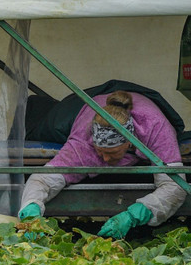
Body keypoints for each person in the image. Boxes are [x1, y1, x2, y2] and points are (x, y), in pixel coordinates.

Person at [18, 91, 185, 239]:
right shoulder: (83, 141)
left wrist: (135, 215)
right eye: (99, 152)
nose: (105, 159)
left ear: (129, 142)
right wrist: (31, 207)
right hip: (75, 110)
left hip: (144, 105)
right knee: (39, 122)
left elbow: (175, 186)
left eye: (112, 153)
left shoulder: (156, 128)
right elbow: (45, 178)